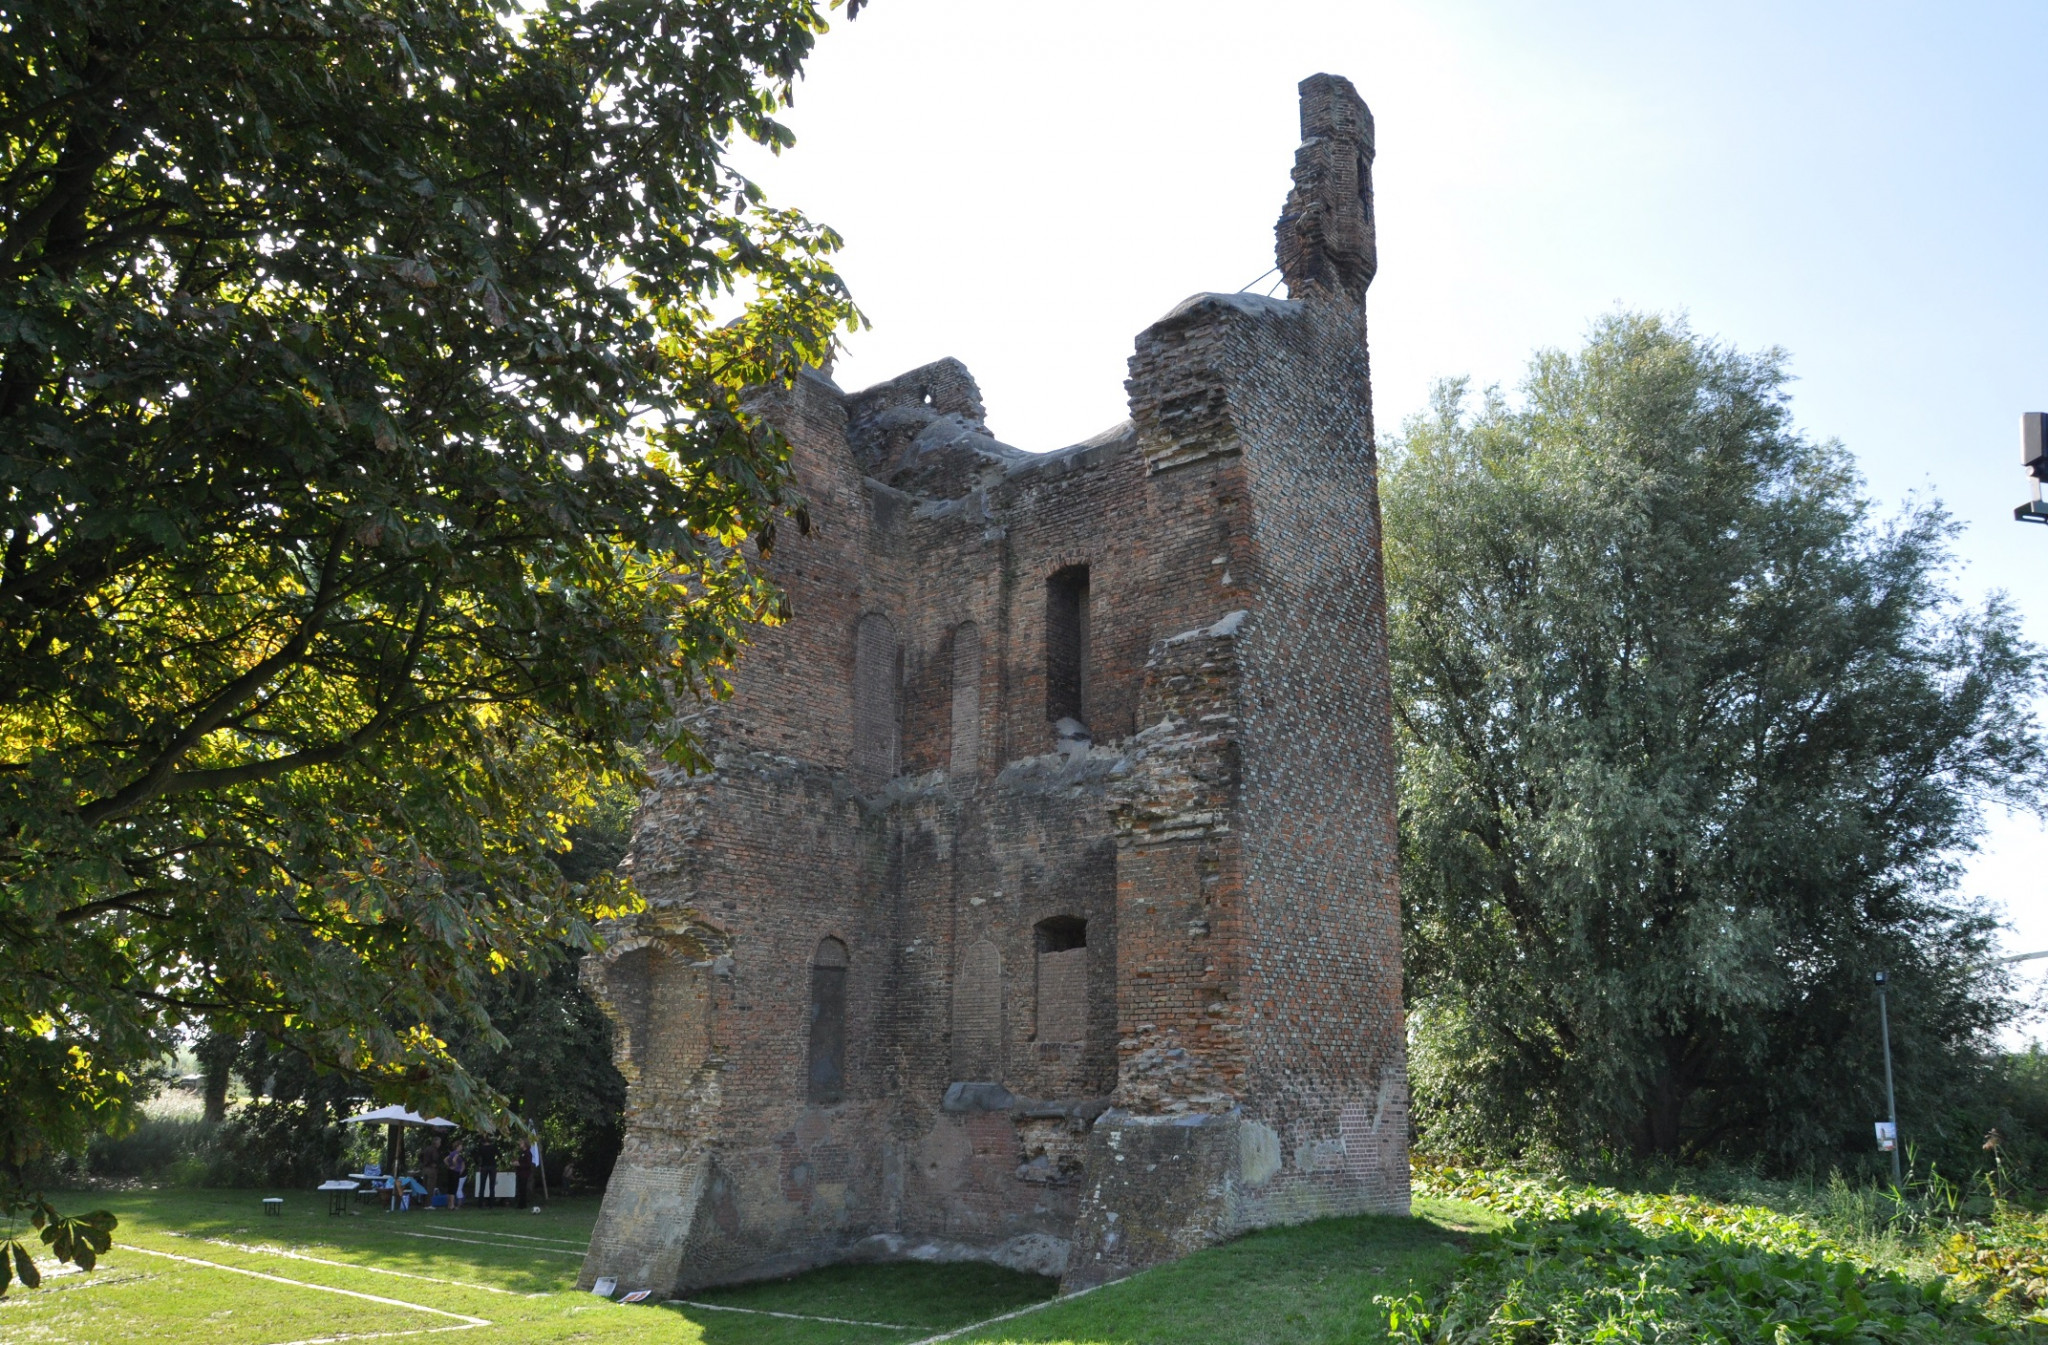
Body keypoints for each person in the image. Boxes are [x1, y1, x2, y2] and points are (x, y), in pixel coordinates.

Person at [474, 1136, 500, 1207]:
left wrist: (478, 1164)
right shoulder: (493, 1147)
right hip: (492, 1166)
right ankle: (491, 1204)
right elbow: (499, 1155)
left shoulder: (481, 1148)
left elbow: (476, 1157)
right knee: (492, 1186)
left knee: (482, 1185)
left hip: (484, 1166)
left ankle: (480, 1204)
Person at [445, 1139, 467, 1209]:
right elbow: (454, 1160)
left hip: (450, 1171)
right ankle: (452, 1205)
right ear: (457, 1146)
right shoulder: (457, 1153)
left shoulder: (452, 1153)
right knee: (453, 1188)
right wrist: (455, 1166)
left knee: (450, 1188)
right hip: (455, 1172)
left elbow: (445, 1160)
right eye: (461, 1146)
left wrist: (449, 1166)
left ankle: (449, 1204)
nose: (462, 1147)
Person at [513, 1141, 533, 1207]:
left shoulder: (528, 1153)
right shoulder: (522, 1153)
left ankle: (523, 1204)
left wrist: (519, 1164)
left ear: (525, 1144)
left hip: (524, 1174)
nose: (520, 1144)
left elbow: (528, 1164)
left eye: (521, 1143)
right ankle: (520, 1204)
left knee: (523, 1189)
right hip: (520, 1173)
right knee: (520, 1189)